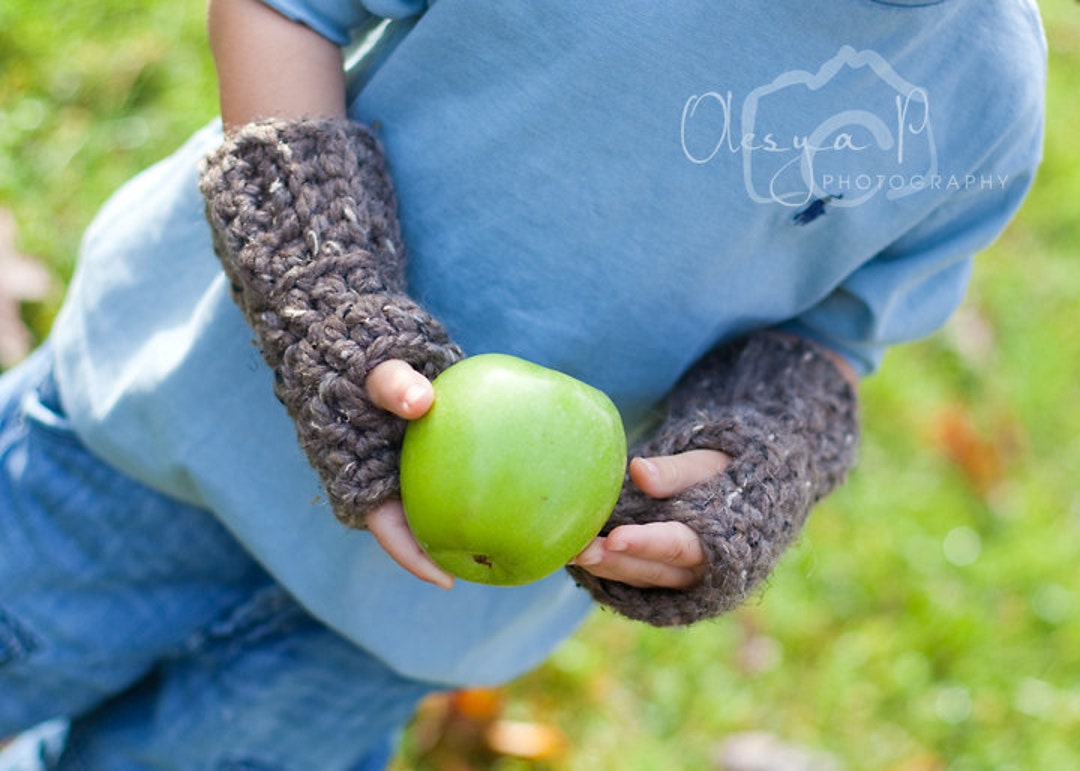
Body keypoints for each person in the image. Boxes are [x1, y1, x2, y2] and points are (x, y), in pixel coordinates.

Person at [0, 0, 1046, 767]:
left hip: (414, 615)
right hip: (167, 428)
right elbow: (285, 11)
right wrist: (322, 294)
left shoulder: (983, 94)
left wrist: (752, 467)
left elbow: (829, 341)